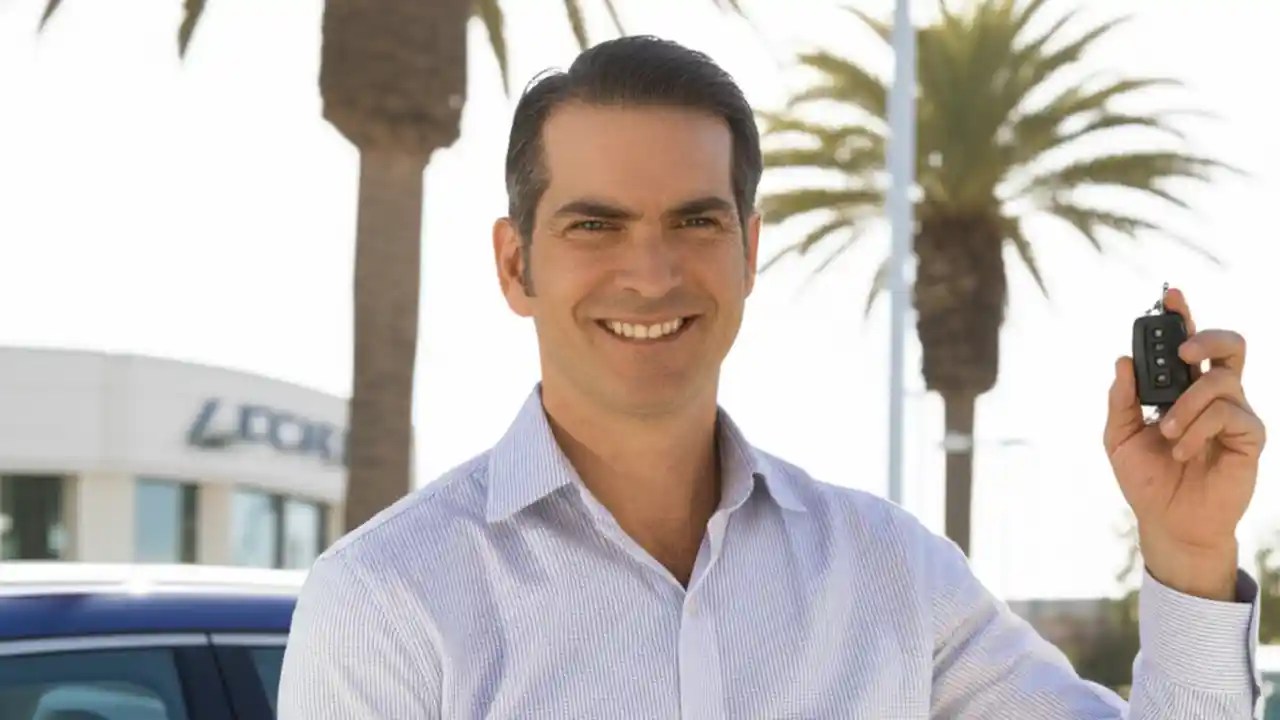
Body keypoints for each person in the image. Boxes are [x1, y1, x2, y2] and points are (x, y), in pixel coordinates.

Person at [277, 36, 1267, 718]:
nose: (652, 271)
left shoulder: (887, 574)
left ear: (749, 249)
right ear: (513, 263)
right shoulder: (384, 604)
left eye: (694, 221)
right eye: (595, 224)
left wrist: (1185, 550)